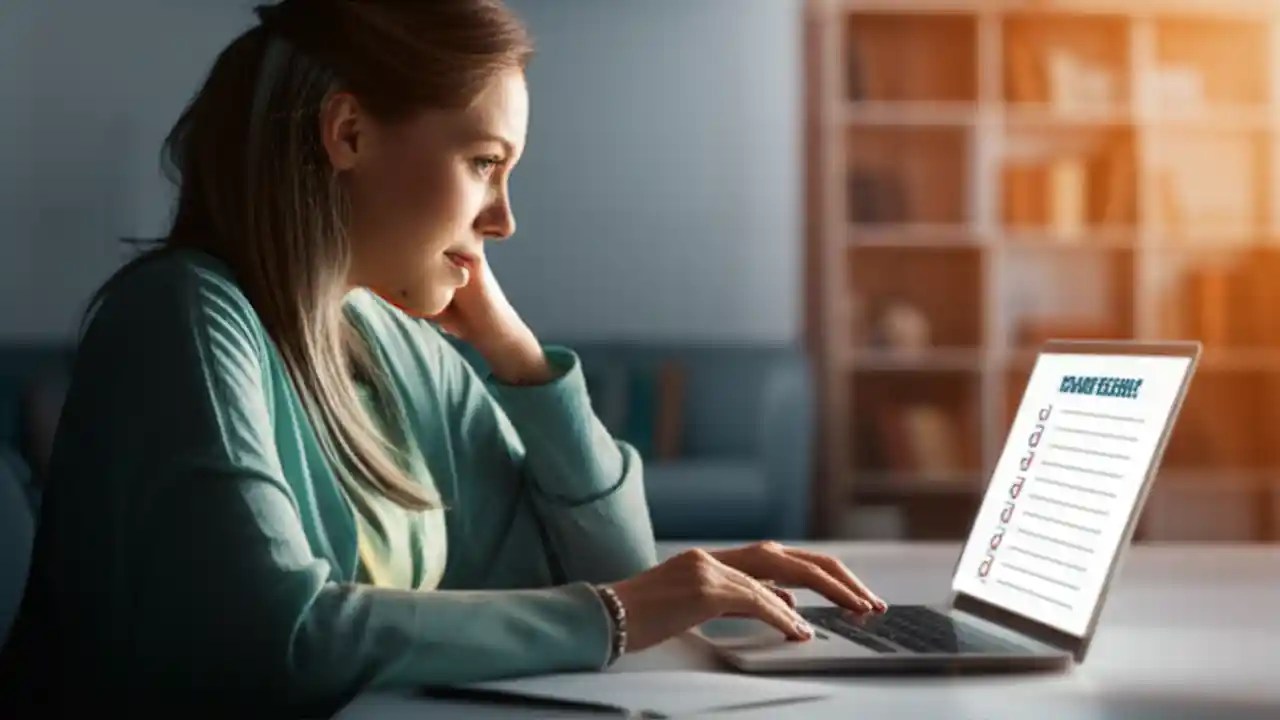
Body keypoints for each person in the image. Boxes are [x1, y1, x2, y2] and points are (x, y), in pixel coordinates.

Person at [0, 0, 886, 716]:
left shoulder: (391, 341)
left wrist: (520, 355)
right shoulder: (184, 317)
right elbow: (277, 641)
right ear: (347, 134)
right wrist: (622, 610)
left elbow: (606, 568)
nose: (502, 220)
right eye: (483, 162)